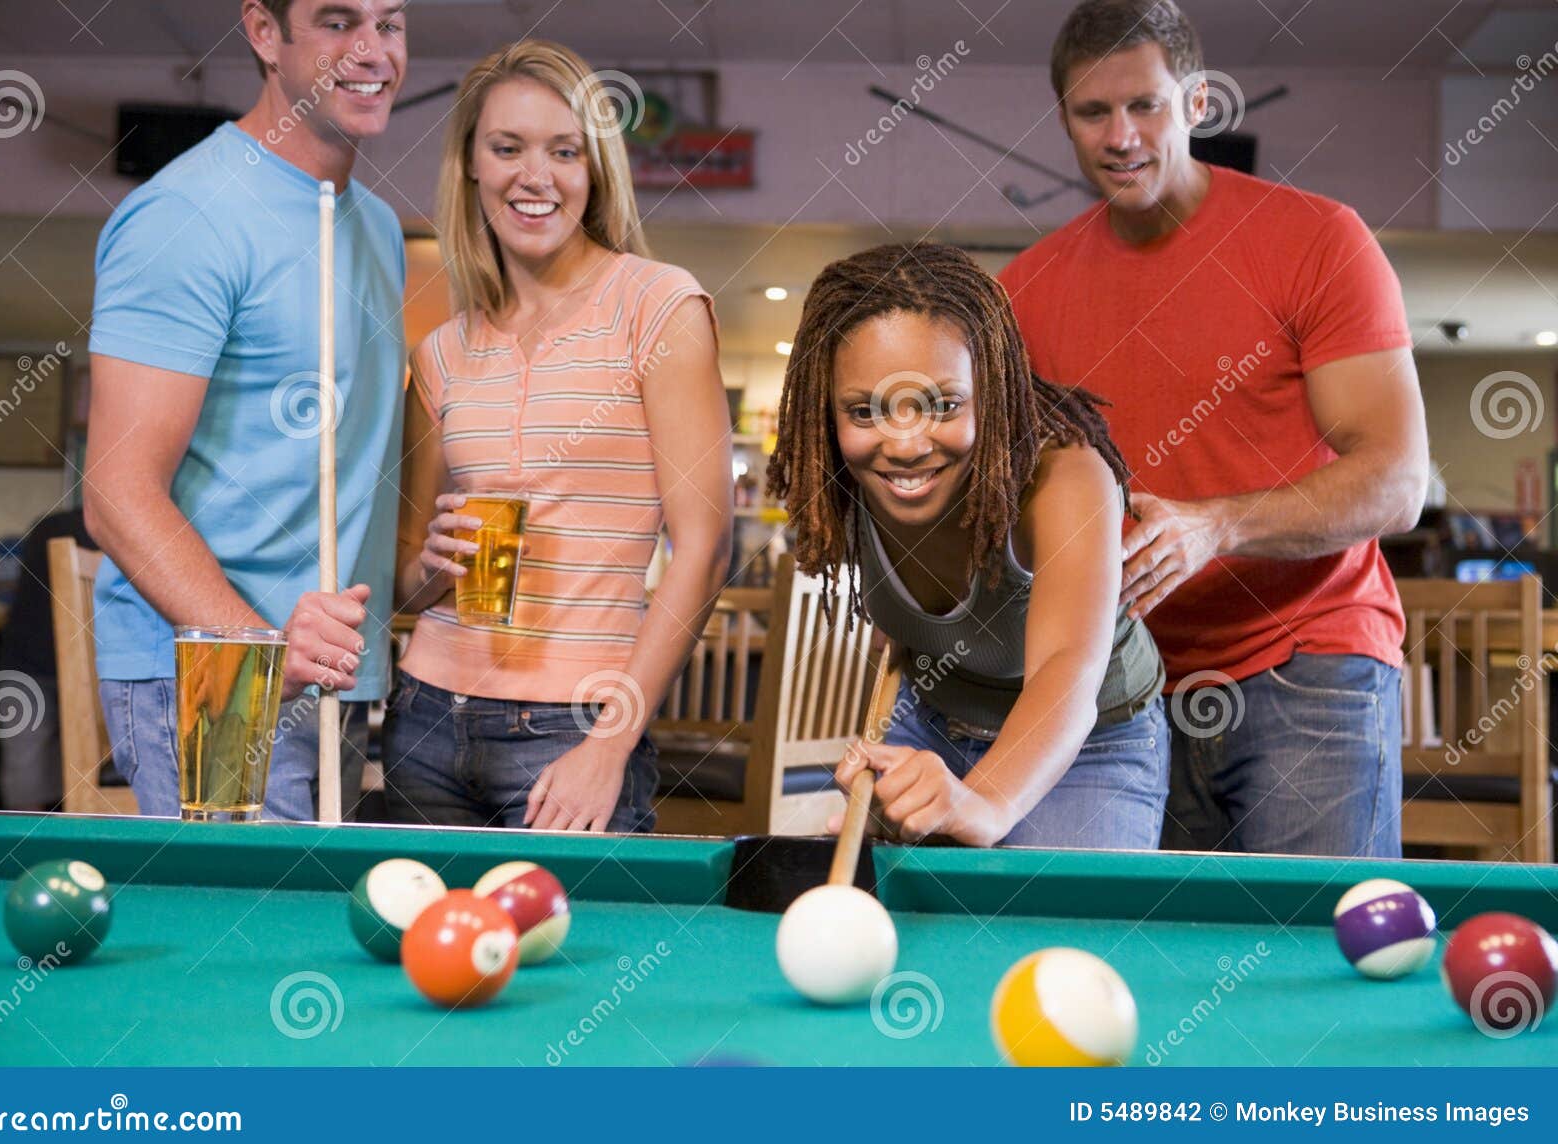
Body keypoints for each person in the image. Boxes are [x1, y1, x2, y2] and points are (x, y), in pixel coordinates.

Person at [998, 0, 1428, 857]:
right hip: (1121, 682)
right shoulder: (1023, 291)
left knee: (1307, 958)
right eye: (1093, 112)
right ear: (1065, 121)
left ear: (1197, 104)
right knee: (1139, 961)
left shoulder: (1316, 240)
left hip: (1307, 652)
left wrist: (1215, 526)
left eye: (1146, 105)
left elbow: (1396, 480)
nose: (1121, 135)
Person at [385, 40, 732, 832]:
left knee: (579, 956)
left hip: (572, 726)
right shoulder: (441, 351)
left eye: (563, 151)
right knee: (425, 957)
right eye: (506, 147)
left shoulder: (659, 306)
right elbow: (409, 586)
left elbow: (706, 546)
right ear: (471, 165)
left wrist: (612, 742)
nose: (533, 176)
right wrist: (430, 566)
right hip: (428, 718)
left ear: (595, 170)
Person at [84, 0, 410, 820]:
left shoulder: (376, 226)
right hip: (213, 672)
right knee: (245, 940)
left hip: (335, 668)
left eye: (393, 23)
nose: (373, 50)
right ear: (265, 33)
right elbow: (117, 492)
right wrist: (263, 649)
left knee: (309, 933)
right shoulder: (186, 216)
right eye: (338, 22)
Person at [767, 242, 1168, 850]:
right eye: (866, 411)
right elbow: (912, 626)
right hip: (932, 723)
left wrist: (982, 800)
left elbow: (1066, 670)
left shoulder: (1066, 475)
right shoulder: (840, 480)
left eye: (943, 404)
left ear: (994, 389)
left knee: (1046, 934)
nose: (903, 444)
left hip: (1093, 741)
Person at [0, 508, 96, 812]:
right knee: (70, 770)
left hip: (23, 665)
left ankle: (25, 849)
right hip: (70, 670)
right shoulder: (113, 531)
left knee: (26, 770)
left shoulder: (47, 525)